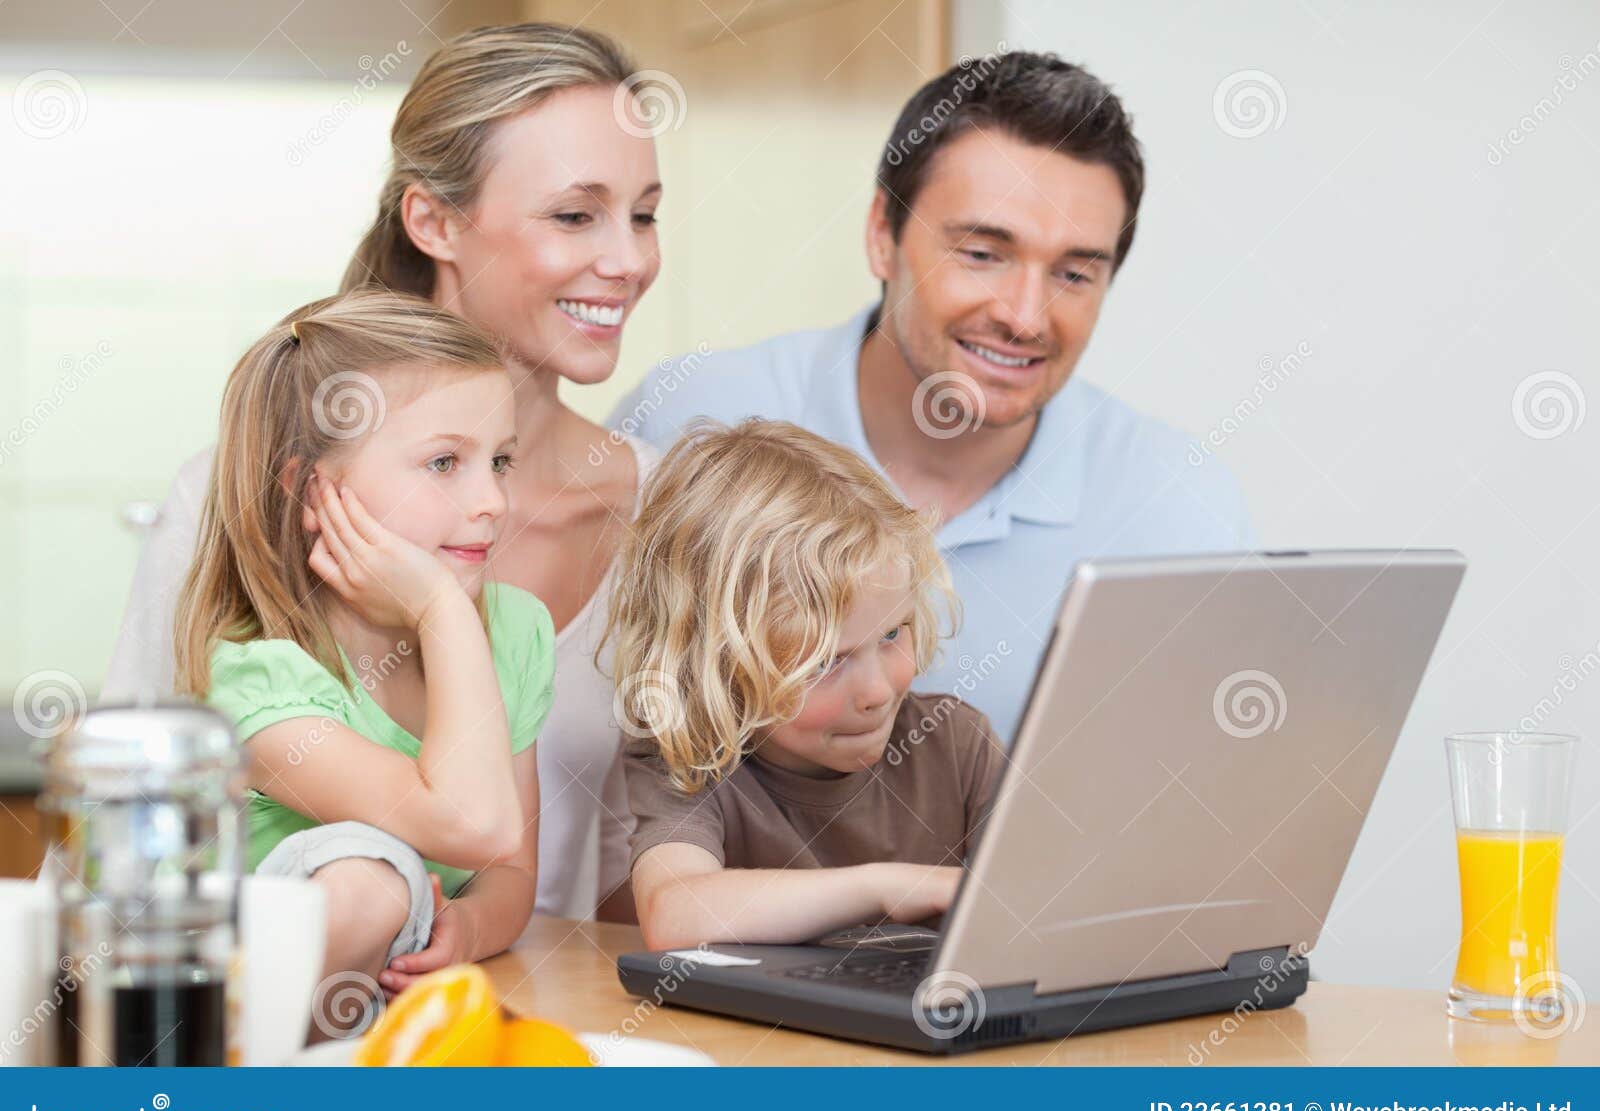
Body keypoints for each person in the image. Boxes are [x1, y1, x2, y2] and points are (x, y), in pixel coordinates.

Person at [105, 23, 665, 920]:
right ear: (432, 219)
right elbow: (121, 822)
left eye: (644, 214)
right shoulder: (239, 493)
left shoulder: (670, 511)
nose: (631, 260)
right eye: (574, 213)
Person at [609, 51, 1253, 744]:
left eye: (1073, 272)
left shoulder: (1184, 513)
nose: (1026, 316)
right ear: (882, 235)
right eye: (982, 253)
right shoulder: (686, 421)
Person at [176, 290, 551, 1009]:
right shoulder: (254, 677)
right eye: (445, 462)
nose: (493, 500)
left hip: (369, 1010)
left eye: (500, 460)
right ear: (312, 490)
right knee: (369, 882)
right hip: (208, 1015)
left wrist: (467, 927)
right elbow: (474, 822)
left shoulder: (515, 631)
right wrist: (440, 606)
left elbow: (508, 863)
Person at [602, 420, 1006, 951]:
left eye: (891, 634)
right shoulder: (687, 762)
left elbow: (1056, 897)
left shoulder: (955, 743)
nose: (877, 692)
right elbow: (675, 915)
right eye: (823, 663)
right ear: (718, 665)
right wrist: (886, 888)